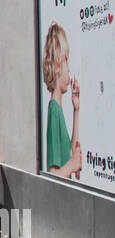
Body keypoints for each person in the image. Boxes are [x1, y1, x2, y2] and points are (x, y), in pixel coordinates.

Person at [42, 22, 81, 179]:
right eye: (66, 61)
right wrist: (72, 165)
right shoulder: (54, 110)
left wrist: (76, 110)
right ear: (57, 65)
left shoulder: (58, 109)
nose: (69, 68)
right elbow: (54, 175)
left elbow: (69, 153)